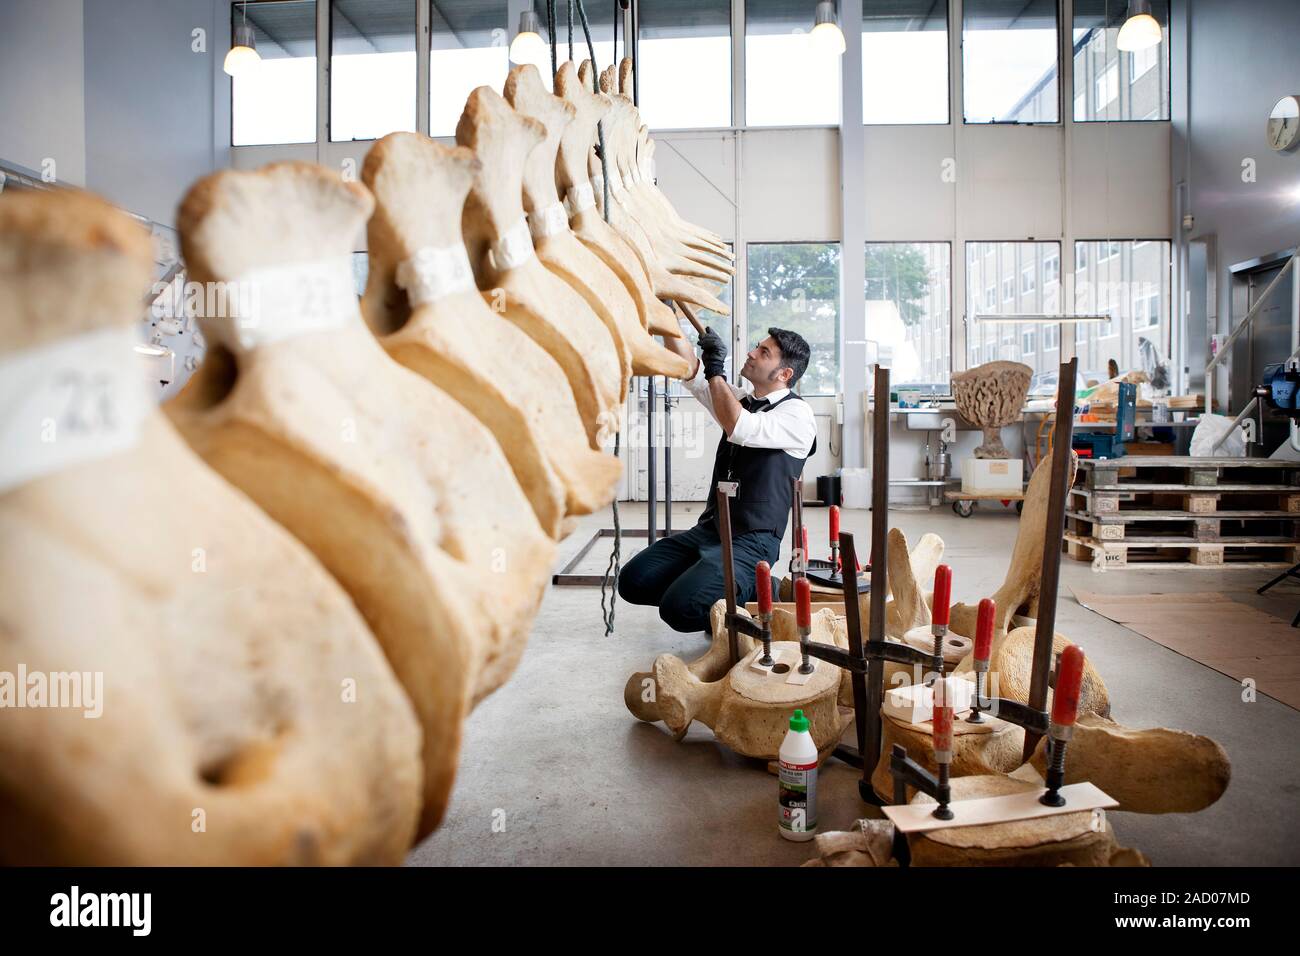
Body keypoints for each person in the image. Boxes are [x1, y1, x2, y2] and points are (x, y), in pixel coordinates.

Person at [618, 320, 817, 634]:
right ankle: (722, 592)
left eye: (763, 352)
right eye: (757, 346)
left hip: (752, 540)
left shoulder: (797, 415)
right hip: (711, 528)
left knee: (680, 610)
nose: (751, 353)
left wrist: (716, 368)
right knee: (634, 582)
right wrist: (666, 315)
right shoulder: (741, 402)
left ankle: (757, 589)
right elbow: (691, 370)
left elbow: (740, 427)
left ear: (784, 374)